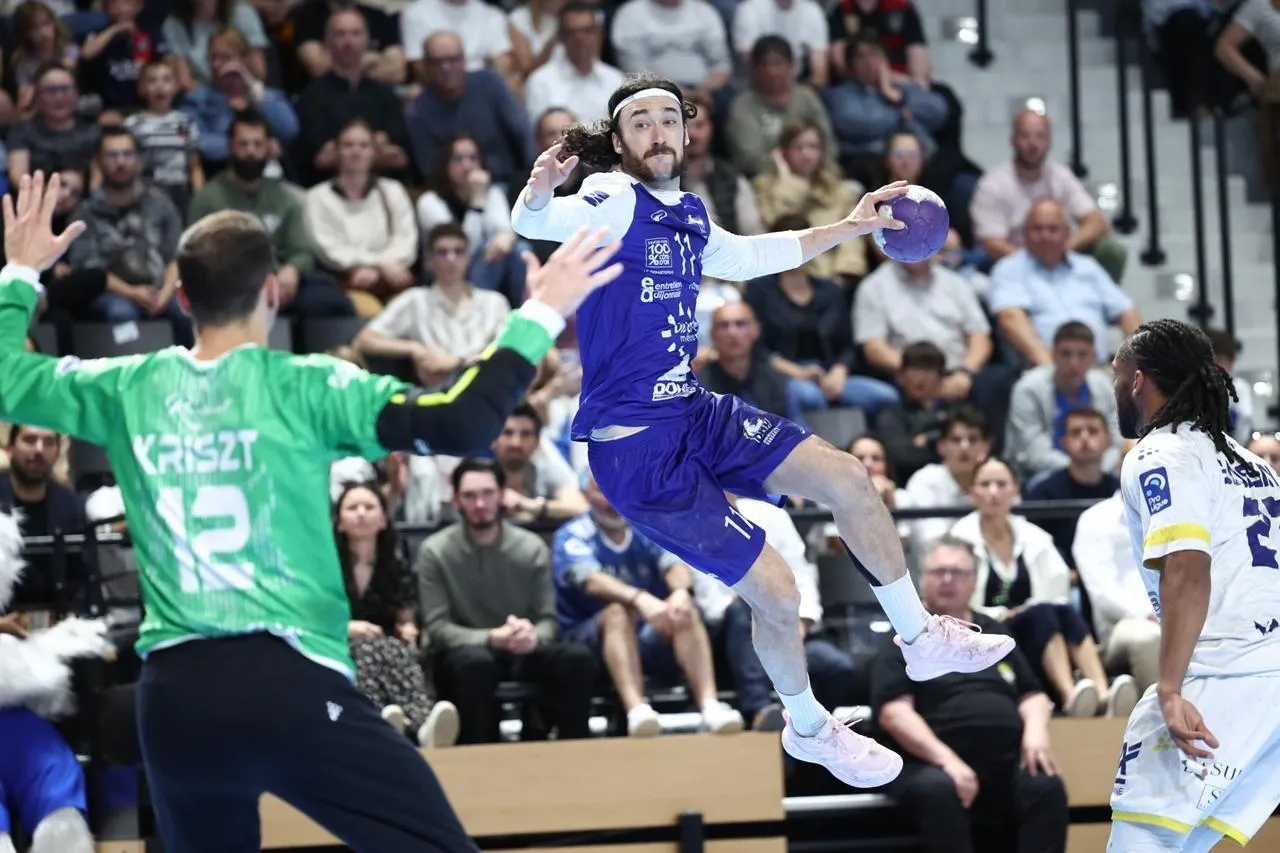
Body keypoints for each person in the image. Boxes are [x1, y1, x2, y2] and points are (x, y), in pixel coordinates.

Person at [0, 170, 624, 853]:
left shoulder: (126, 386)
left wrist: (20, 273)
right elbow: (461, 420)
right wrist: (539, 313)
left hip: (175, 696)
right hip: (288, 678)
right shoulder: (311, 386)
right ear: (273, 292)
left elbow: (7, 377)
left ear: (181, 299)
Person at [510, 72, 1014, 788]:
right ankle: (808, 728)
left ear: (687, 132)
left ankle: (919, 635)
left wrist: (851, 226)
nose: (657, 132)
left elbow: (750, 257)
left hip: (693, 411)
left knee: (848, 476)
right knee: (778, 593)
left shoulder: (688, 214)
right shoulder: (612, 197)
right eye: (640, 122)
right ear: (619, 143)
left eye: (668, 119)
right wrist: (537, 193)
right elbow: (536, 223)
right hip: (638, 453)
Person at [1107, 319, 1280, 852]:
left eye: (1115, 374)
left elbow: (1186, 564)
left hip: (1224, 669)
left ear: (1137, 379)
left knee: (1141, 837)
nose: (1114, 386)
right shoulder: (1254, 463)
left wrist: (1169, 687)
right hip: (1271, 678)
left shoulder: (1159, 453)